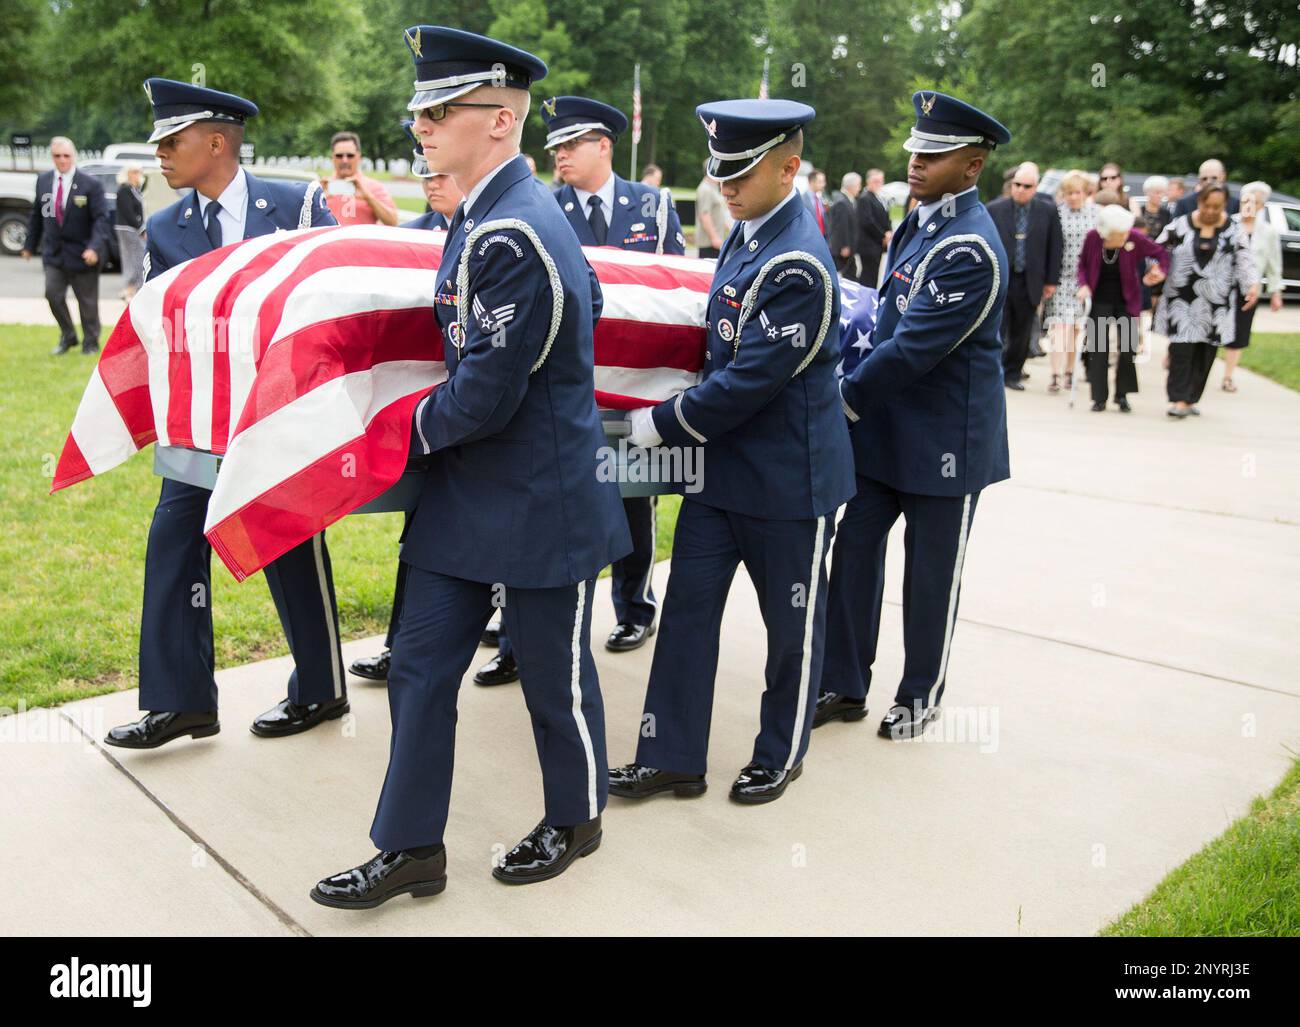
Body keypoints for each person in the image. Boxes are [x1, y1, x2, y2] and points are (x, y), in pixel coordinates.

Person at [313, 26, 630, 909]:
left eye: (438, 108)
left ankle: (577, 816)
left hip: (538, 493)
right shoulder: (490, 217)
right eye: (419, 107)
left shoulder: (515, 231)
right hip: (469, 491)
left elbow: (485, 393)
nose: (420, 121)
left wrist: (392, 434)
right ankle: (412, 846)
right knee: (418, 665)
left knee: (552, 676)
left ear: (497, 120)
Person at [610, 98, 852, 805]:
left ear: (789, 167)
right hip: (721, 474)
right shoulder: (750, 233)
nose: (727, 186)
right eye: (722, 171)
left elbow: (749, 380)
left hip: (786, 481)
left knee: (790, 628)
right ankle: (671, 754)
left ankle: (780, 751)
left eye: (741, 172)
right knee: (686, 614)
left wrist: (660, 424)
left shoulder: (798, 261)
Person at [103, 78, 346, 751]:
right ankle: (180, 702)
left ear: (216, 142)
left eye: (170, 139)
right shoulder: (165, 226)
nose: (159, 152)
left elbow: (333, 290)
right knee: (172, 540)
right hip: (202, 420)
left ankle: (320, 688)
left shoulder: (296, 205)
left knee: (286, 540)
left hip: (282, 414)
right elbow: (160, 321)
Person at [468, 94, 685, 687]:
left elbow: (673, 288)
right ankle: (520, 636)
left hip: (629, 385)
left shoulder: (653, 205)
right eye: (555, 147)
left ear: (604, 146)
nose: (559, 155)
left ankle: (634, 607)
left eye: (571, 144)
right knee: (538, 505)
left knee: (632, 498)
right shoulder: (544, 206)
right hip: (560, 381)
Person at [818, 91, 1010, 740]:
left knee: (928, 575)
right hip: (887, 429)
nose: (918, 163)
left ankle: (919, 693)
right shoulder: (920, 220)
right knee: (854, 551)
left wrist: (839, 400)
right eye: (916, 151)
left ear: (974, 166)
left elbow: (909, 350)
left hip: (943, 443)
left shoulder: (969, 247)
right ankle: (844, 682)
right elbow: (883, 319)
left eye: (936, 153)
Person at [348, 122, 466, 685]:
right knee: (420, 537)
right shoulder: (412, 237)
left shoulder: (503, 232)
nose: (431, 179)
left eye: (439, 169)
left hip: (477, 414)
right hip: (430, 418)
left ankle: (511, 647)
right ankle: (402, 647)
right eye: (425, 169)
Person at [1155, 184, 1257, 417]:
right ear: (1199, 202)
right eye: (1207, 205)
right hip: (1181, 300)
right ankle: (1179, 399)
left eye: (1217, 206)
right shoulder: (1179, 226)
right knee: (1181, 350)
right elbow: (1158, 252)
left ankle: (1191, 399)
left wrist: (1251, 285)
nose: (1211, 211)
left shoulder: (1233, 229)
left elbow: (1245, 261)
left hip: (1216, 304)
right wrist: (1156, 271)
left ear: (1224, 206)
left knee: (1205, 354)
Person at [1075, 203, 1170, 411]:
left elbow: (1161, 253)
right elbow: (1082, 265)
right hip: (1099, 298)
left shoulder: (1133, 237)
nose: (1125, 236)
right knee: (1098, 349)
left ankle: (1122, 394)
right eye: (1120, 234)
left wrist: (1160, 271)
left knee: (1128, 348)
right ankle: (1099, 397)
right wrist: (1083, 285)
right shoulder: (1093, 237)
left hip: (1126, 299)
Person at [21, 136, 110, 355]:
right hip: (54, 253)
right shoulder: (43, 181)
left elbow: (101, 219)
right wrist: (29, 245)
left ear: (74, 156)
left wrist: (94, 247)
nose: (62, 160)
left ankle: (90, 343)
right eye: (57, 156)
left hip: (83, 253)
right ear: (52, 157)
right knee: (53, 295)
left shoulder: (91, 185)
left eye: (66, 156)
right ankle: (68, 336)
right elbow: (36, 215)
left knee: (87, 302)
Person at [987, 161, 1062, 389]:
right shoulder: (995, 209)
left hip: (1030, 278)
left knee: (1022, 329)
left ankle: (1013, 373)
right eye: (1017, 184)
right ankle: (993, 372)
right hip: (1001, 278)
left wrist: (1051, 280)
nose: (1020, 189)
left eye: (1026, 186)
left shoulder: (1047, 211)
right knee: (997, 327)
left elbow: (1055, 246)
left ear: (1035, 187)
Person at [1221, 181, 1285, 392]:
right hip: (1224, 286)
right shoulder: (1228, 224)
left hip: (1249, 289)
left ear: (1261, 206)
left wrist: (1275, 292)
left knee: (1240, 332)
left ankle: (1228, 377)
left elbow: (1273, 263)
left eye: (1255, 202)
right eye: (1246, 201)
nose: (1250, 205)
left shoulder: (1268, 232)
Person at [1042, 170, 1097, 393]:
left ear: (1085, 193)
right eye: (1068, 193)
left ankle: (1069, 371)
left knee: (1075, 329)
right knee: (1059, 327)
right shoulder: (1056, 214)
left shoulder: (1094, 214)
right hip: (1060, 278)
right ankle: (1055, 373)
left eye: (1077, 192)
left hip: (1084, 280)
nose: (1073, 197)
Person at [322, 131, 398, 226]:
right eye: (339, 156)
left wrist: (369, 198)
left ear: (359, 157)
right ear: (332, 157)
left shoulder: (374, 186)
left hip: (361, 241)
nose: (344, 160)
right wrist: (317, 199)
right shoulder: (322, 188)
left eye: (350, 155)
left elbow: (393, 222)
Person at [114, 163, 146, 300]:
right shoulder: (124, 189)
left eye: (138, 172)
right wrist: (141, 229)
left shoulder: (135, 189)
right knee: (136, 257)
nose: (136, 175)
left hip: (131, 227)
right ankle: (132, 288)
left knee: (133, 257)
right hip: (127, 228)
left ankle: (130, 289)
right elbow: (128, 212)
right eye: (133, 172)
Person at [855, 168, 892, 287]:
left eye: (881, 181)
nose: (879, 184)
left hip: (876, 244)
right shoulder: (865, 198)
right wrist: (883, 236)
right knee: (868, 277)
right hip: (869, 245)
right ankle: (866, 303)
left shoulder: (878, 197)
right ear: (868, 181)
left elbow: (885, 217)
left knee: (874, 276)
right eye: (876, 181)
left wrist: (889, 231)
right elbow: (867, 222)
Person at [1173, 159, 1238, 218]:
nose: (1209, 182)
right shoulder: (1184, 204)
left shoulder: (1234, 203)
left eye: (1214, 178)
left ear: (1223, 176)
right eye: (1204, 179)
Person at [694, 160, 732, 258]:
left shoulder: (713, 188)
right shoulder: (705, 189)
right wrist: (714, 237)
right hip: (709, 243)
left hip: (715, 241)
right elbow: (704, 215)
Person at [828, 171, 860, 275]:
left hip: (846, 249)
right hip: (843, 250)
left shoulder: (844, 199)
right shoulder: (842, 202)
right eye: (858, 185)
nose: (859, 188)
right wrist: (844, 246)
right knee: (847, 277)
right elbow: (840, 226)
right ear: (852, 186)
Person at [802, 168, 829, 239]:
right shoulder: (802, 200)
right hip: (809, 240)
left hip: (823, 239)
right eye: (820, 182)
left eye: (824, 181)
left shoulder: (820, 199)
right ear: (811, 182)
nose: (824, 184)